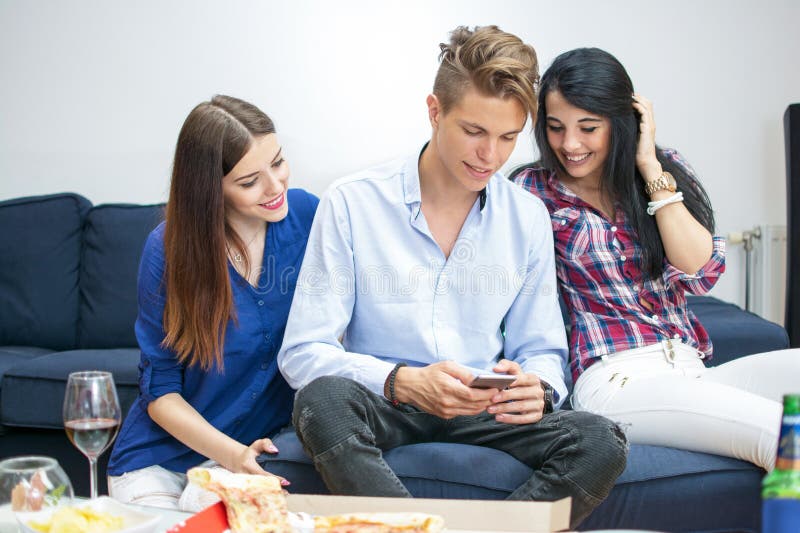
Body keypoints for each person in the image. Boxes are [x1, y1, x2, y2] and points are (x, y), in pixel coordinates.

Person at [278, 27, 627, 528]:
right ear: (435, 111)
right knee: (321, 402)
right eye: (475, 131)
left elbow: (542, 349)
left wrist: (539, 387)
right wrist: (402, 382)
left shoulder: (526, 216)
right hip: (386, 400)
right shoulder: (353, 202)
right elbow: (302, 352)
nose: (491, 156)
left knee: (601, 441)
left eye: (508, 138)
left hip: (484, 409)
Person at [513, 47, 800, 471]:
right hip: (613, 381)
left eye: (588, 128)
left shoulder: (662, 170)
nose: (569, 144)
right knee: (782, 434)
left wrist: (648, 165)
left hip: (690, 366)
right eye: (556, 128)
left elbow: (700, 272)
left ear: (622, 122)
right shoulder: (531, 190)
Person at [107, 95, 319, 508]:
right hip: (158, 458)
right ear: (211, 189)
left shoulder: (308, 215)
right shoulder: (167, 250)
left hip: (246, 454)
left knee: (210, 515)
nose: (276, 187)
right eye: (249, 181)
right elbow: (161, 391)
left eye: (277, 162)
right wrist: (234, 455)